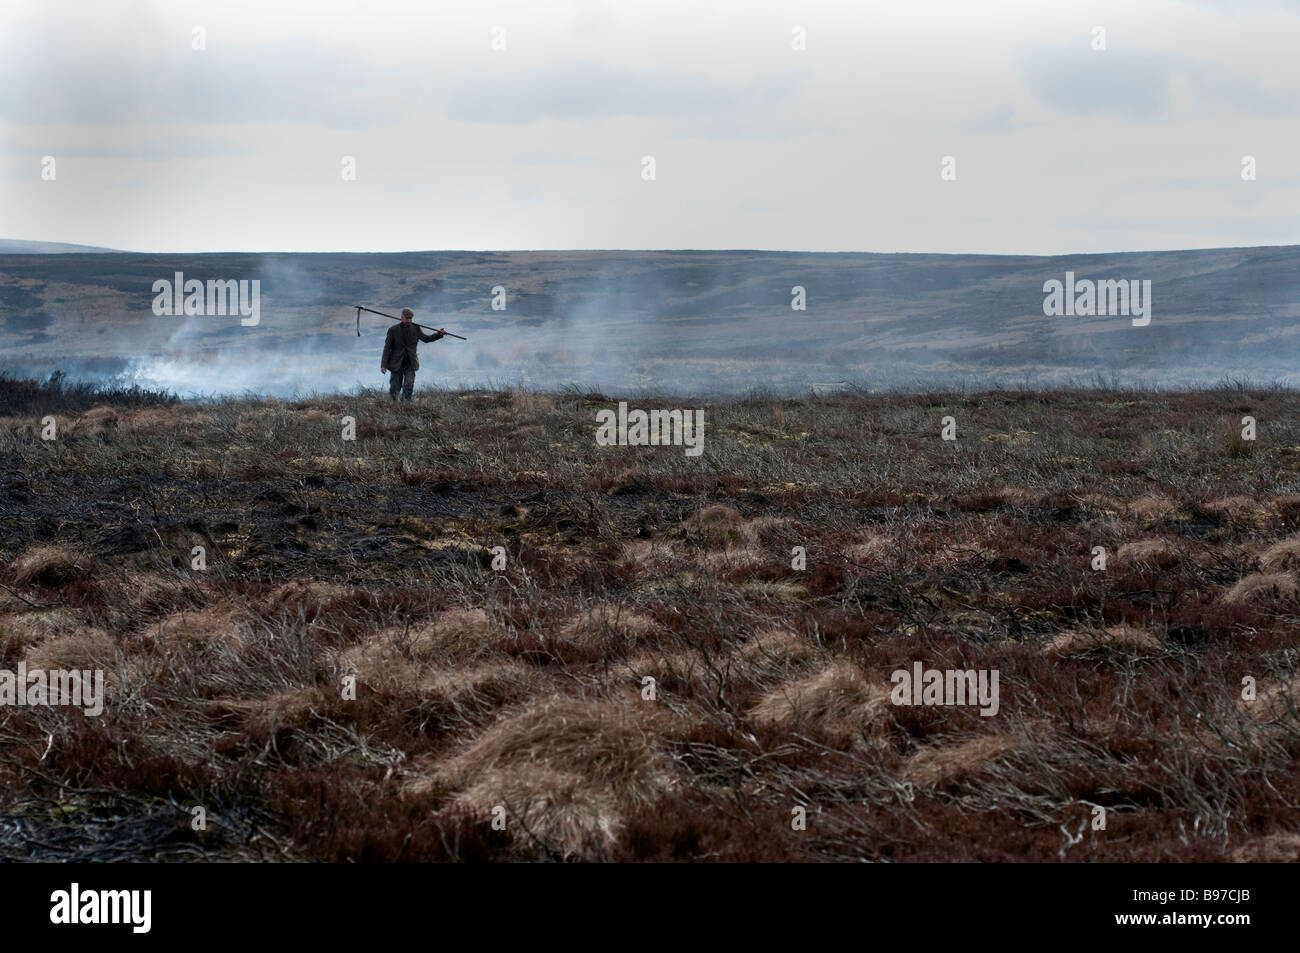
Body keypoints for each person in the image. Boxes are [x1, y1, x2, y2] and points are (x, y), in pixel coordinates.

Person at [381, 308, 446, 401]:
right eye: (407, 318)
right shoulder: (393, 330)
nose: (409, 320)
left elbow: (426, 339)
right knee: (395, 388)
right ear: (401, 318)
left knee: (409, 385)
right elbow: (387, 349)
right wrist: (383, 365)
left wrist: (439, 334)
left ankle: (406, 407)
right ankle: (393, 406)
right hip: (396, 364)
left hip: (410, 363)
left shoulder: (416, 328)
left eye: (410, 318)